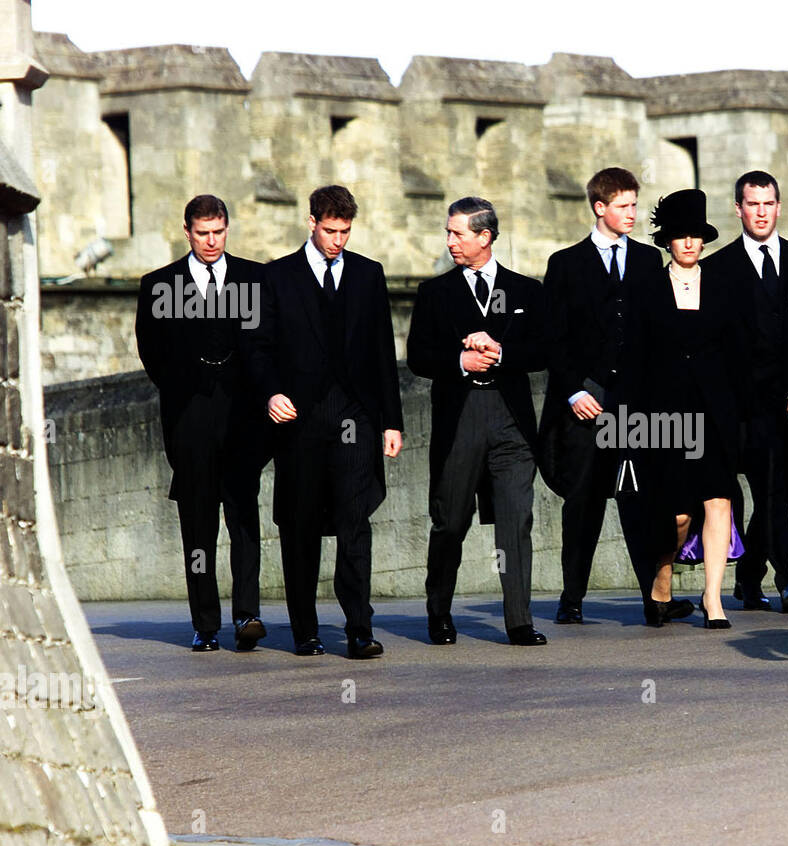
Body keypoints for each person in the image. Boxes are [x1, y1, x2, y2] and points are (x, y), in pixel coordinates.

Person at [243, 185, 404, 659]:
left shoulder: (368, 274)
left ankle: (359, 628)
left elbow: (382, 353)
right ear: (311, 222)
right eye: (331, 231)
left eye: (346, 232)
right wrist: (271, 393)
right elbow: (257, 347)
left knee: (356, 522)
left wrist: (391, 422)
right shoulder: (276, 277)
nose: (338, 241)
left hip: (356, 416)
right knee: (300, 524)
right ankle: (305, 630)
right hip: (300, 418)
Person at [407, 197, 550, 647]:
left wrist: (502, 352)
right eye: (448, 232)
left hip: (511, 421)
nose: (450, 241)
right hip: (460, 417)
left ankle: (519, 620)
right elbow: (417, 358)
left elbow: (545, 350)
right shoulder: (435, 293)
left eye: (458, 233)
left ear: (485, 237)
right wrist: (462, 360)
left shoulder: (526, 291)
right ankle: (439, 611)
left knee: (515, 520)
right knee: (449, 521)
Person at [536, 168, 673, 625]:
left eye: (635, 205)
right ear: (600, 207)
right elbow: (553, 340)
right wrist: (575, 391)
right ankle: (571, 598)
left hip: (634, 407)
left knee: (641, 504)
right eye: (623, 206)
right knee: (584, 504)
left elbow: (656, 339)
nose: (633, 214)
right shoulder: (565, 264)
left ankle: (652, 601)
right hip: (584, 405)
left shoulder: (648, 262)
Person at [135, 194, 272, 652]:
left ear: (227, 229)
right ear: (187, 232)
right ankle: (206, 624)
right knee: (197, 526)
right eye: (202, 233)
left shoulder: (255, 279)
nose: (211, 242)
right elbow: (152, 354)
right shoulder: (159, 286)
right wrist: (188, 393)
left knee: (243, 517)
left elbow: (268, 343)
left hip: (244, 420)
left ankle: (248, 614)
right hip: (190, 421)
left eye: (218, 232)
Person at [622, 189, 746, 628]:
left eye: (696, 235)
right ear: (667, 241)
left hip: (717, 413)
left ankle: (713, 600)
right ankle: (660, 581)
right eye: (680, 236)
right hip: (665, 418)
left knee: (718, 501)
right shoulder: (646, 289)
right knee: (675, 514)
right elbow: (633, 359)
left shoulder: (725, 286)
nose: (689, 243)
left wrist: (739, 413)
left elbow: (740, 352)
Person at [704, 170, 788, 614]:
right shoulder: (718, 269)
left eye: (769, 203)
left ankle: (749, 578)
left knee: (777, 495)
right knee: (768, 489)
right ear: (738, 209)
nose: (762, 212)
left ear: (779, 206)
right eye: (753, 204)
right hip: (743, 408)